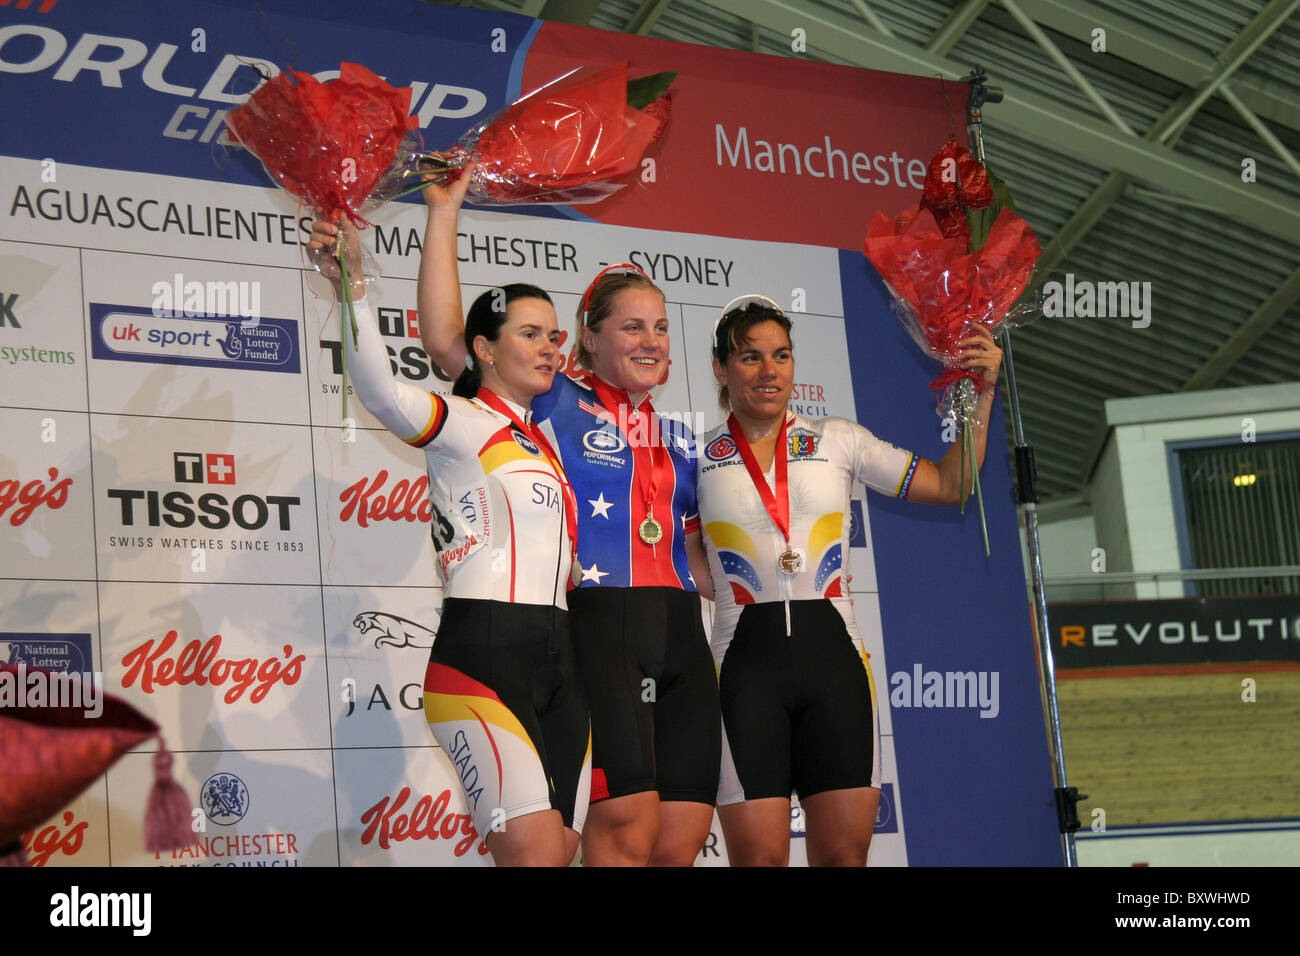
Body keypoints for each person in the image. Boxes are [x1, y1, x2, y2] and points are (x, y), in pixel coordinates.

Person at [416, 172, 720, 867]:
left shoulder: (682, 440)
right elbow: (443, 341)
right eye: (632, 325)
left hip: (680, 639)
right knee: (623, 837)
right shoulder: (552, 400)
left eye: (662, 326)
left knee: (678, 844)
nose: (652, 339)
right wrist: (445, 212)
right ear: (587, 335)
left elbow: (698, 563)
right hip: (597, 629)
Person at [307, 217, 590, 867]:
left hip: (560, 662)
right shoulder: (463, 423)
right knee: (535, 857)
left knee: (561, 853)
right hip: (483, 658)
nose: (549, 347)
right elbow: (378, 389)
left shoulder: (541, 441)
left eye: (554, 335)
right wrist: (352, 286)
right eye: (529, 334)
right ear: (484, 349)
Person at [699, 295, 1003, 867]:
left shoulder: (838, 438)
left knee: (843, 858)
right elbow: (674, 557)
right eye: (750, 357)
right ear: (720, 368)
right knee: (759, 860)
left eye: (782, 356)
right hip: (743, 669)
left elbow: (951, 484)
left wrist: (979, 393)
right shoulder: (693, 456)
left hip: (835, 662)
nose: (769, 371)